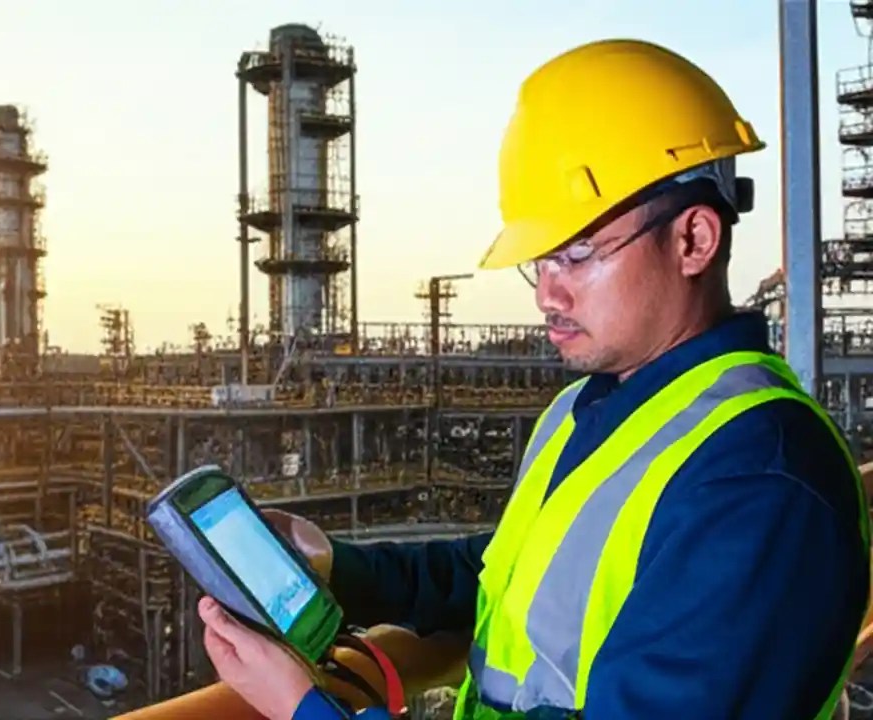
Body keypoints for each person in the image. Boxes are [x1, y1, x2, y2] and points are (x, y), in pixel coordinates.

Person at [195, 38, 872, 719]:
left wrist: (304, 708)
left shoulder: (757, 480)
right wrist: (339, 570)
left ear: (693, 240)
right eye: (539, 259)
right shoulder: (592, 405)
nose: (548, 294)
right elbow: (510, 577)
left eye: (578, 254)